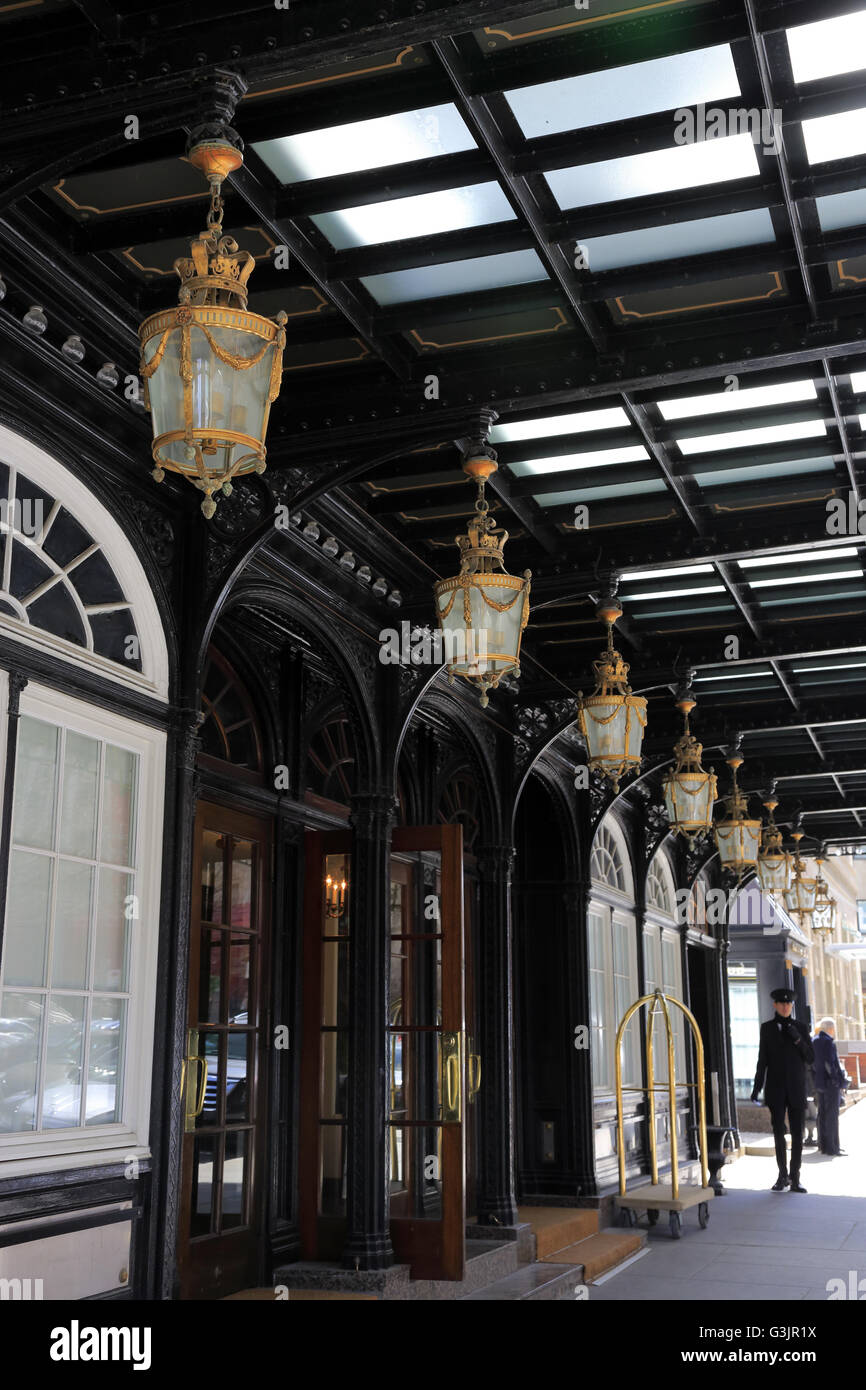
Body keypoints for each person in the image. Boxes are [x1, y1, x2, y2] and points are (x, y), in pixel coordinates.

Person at [751, 987, 815, 1193]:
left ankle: (795, 1177)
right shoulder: (767, 1028)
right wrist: (756, 1087)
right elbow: (763, 1060)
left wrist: (797, 1038)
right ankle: (782, 1175)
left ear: (792, 1006)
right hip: (775, 1089)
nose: (786, 1006)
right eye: (782, 1003)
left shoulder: (801, 1027)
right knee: (779, 1133)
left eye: (789, 1004)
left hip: (796, 1088)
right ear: (775, 1005)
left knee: (797, 1134)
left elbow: (811, 1058)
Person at [813, 1017, 849, 1157]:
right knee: (832, 1116)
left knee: (822, 1114)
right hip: (830, 1084)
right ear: (830, 1028)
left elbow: (813, 1064)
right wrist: (837, 1080)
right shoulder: (828, 1042)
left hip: (819, 1083)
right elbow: (830, 1063)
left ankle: (823, 1146)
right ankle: (832, 1148)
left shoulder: (815, 1041)